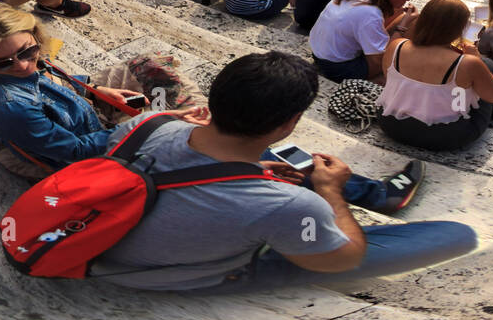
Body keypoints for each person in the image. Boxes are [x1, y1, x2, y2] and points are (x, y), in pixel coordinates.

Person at [84, 52, 457, 293]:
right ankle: (373, 197)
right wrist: (328, 193)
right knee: (445, 235)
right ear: (291, 122)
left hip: (104, 238)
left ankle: (376, 195)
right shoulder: (288, 206)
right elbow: (346, 259)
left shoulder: (144, 125)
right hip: (175, 275)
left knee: (258, 151)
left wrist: (246, 170)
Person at [0, 2, 139, 176]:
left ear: (35, 35)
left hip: (68, 113)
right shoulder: (12, 108)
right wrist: (139, 127)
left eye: (28, 51)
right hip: (78, 147)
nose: (23, 66)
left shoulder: (13, 62)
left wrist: (94, 89)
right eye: (1, 63)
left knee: (154, 67)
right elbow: (76, 151)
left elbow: (54, 82)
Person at [374, 0, 493, 151]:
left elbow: (390, 78)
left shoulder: (396, 46)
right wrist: (477, 60)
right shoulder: (468, 63)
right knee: (488, 66)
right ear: (459, 28)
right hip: (445, 136)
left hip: (391, 124)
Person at [311, 0, 415, 81]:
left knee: (404, 18)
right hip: (336, 68)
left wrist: (403, 19)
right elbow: (381, 59)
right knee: (393, 58)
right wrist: (403, 25)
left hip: (319, 54)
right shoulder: (370, 14)